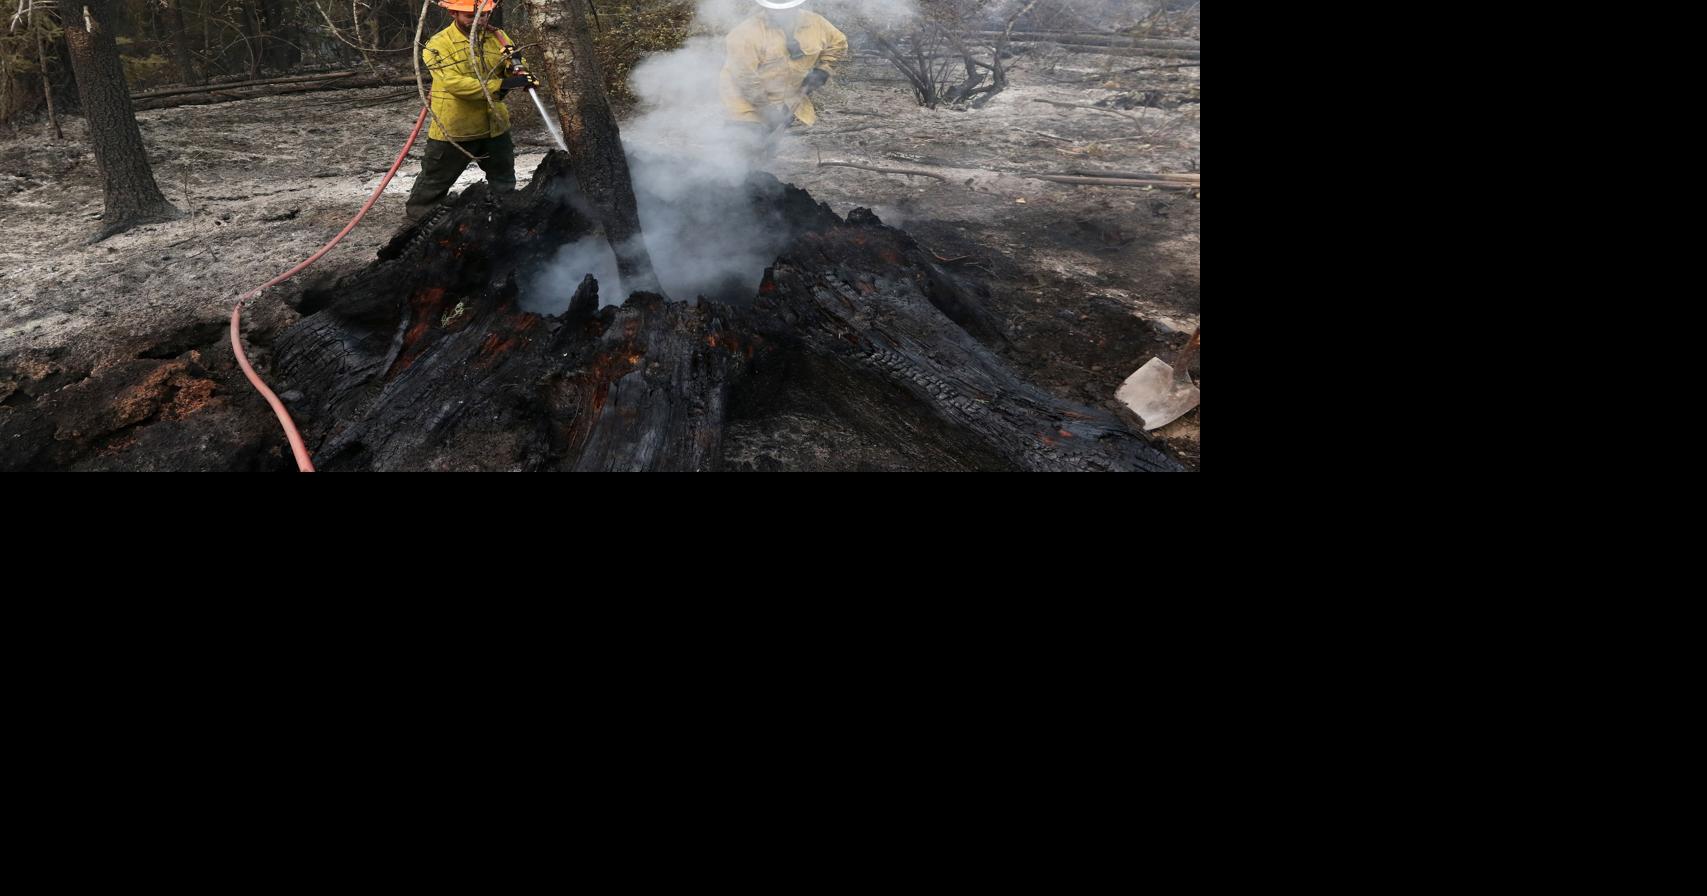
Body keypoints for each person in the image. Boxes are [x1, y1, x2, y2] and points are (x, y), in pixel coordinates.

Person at [406, 0, 536, 221]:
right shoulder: (438, 45)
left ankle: (503, 221)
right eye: (472, 16)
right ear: (454, 13)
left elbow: (512, 62)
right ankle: (416, 226)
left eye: (485, 15)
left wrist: (518, 72)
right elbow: (454, 83)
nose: (481, 21)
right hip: (456, 129)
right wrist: (500, 85)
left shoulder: (497, 37)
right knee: (434, 182)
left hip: (495, 126)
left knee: (503, 181)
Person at [719, 0, 849, 154]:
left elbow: (839, 44)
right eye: (775, 9)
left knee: (767, 149)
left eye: (787, 9)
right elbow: (745, 78)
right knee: (742, 147)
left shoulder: (815, 23)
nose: (781, 13)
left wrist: (823, 70)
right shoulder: (745, 34)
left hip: (787, 99)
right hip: (745, 103)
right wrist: (768, 110)